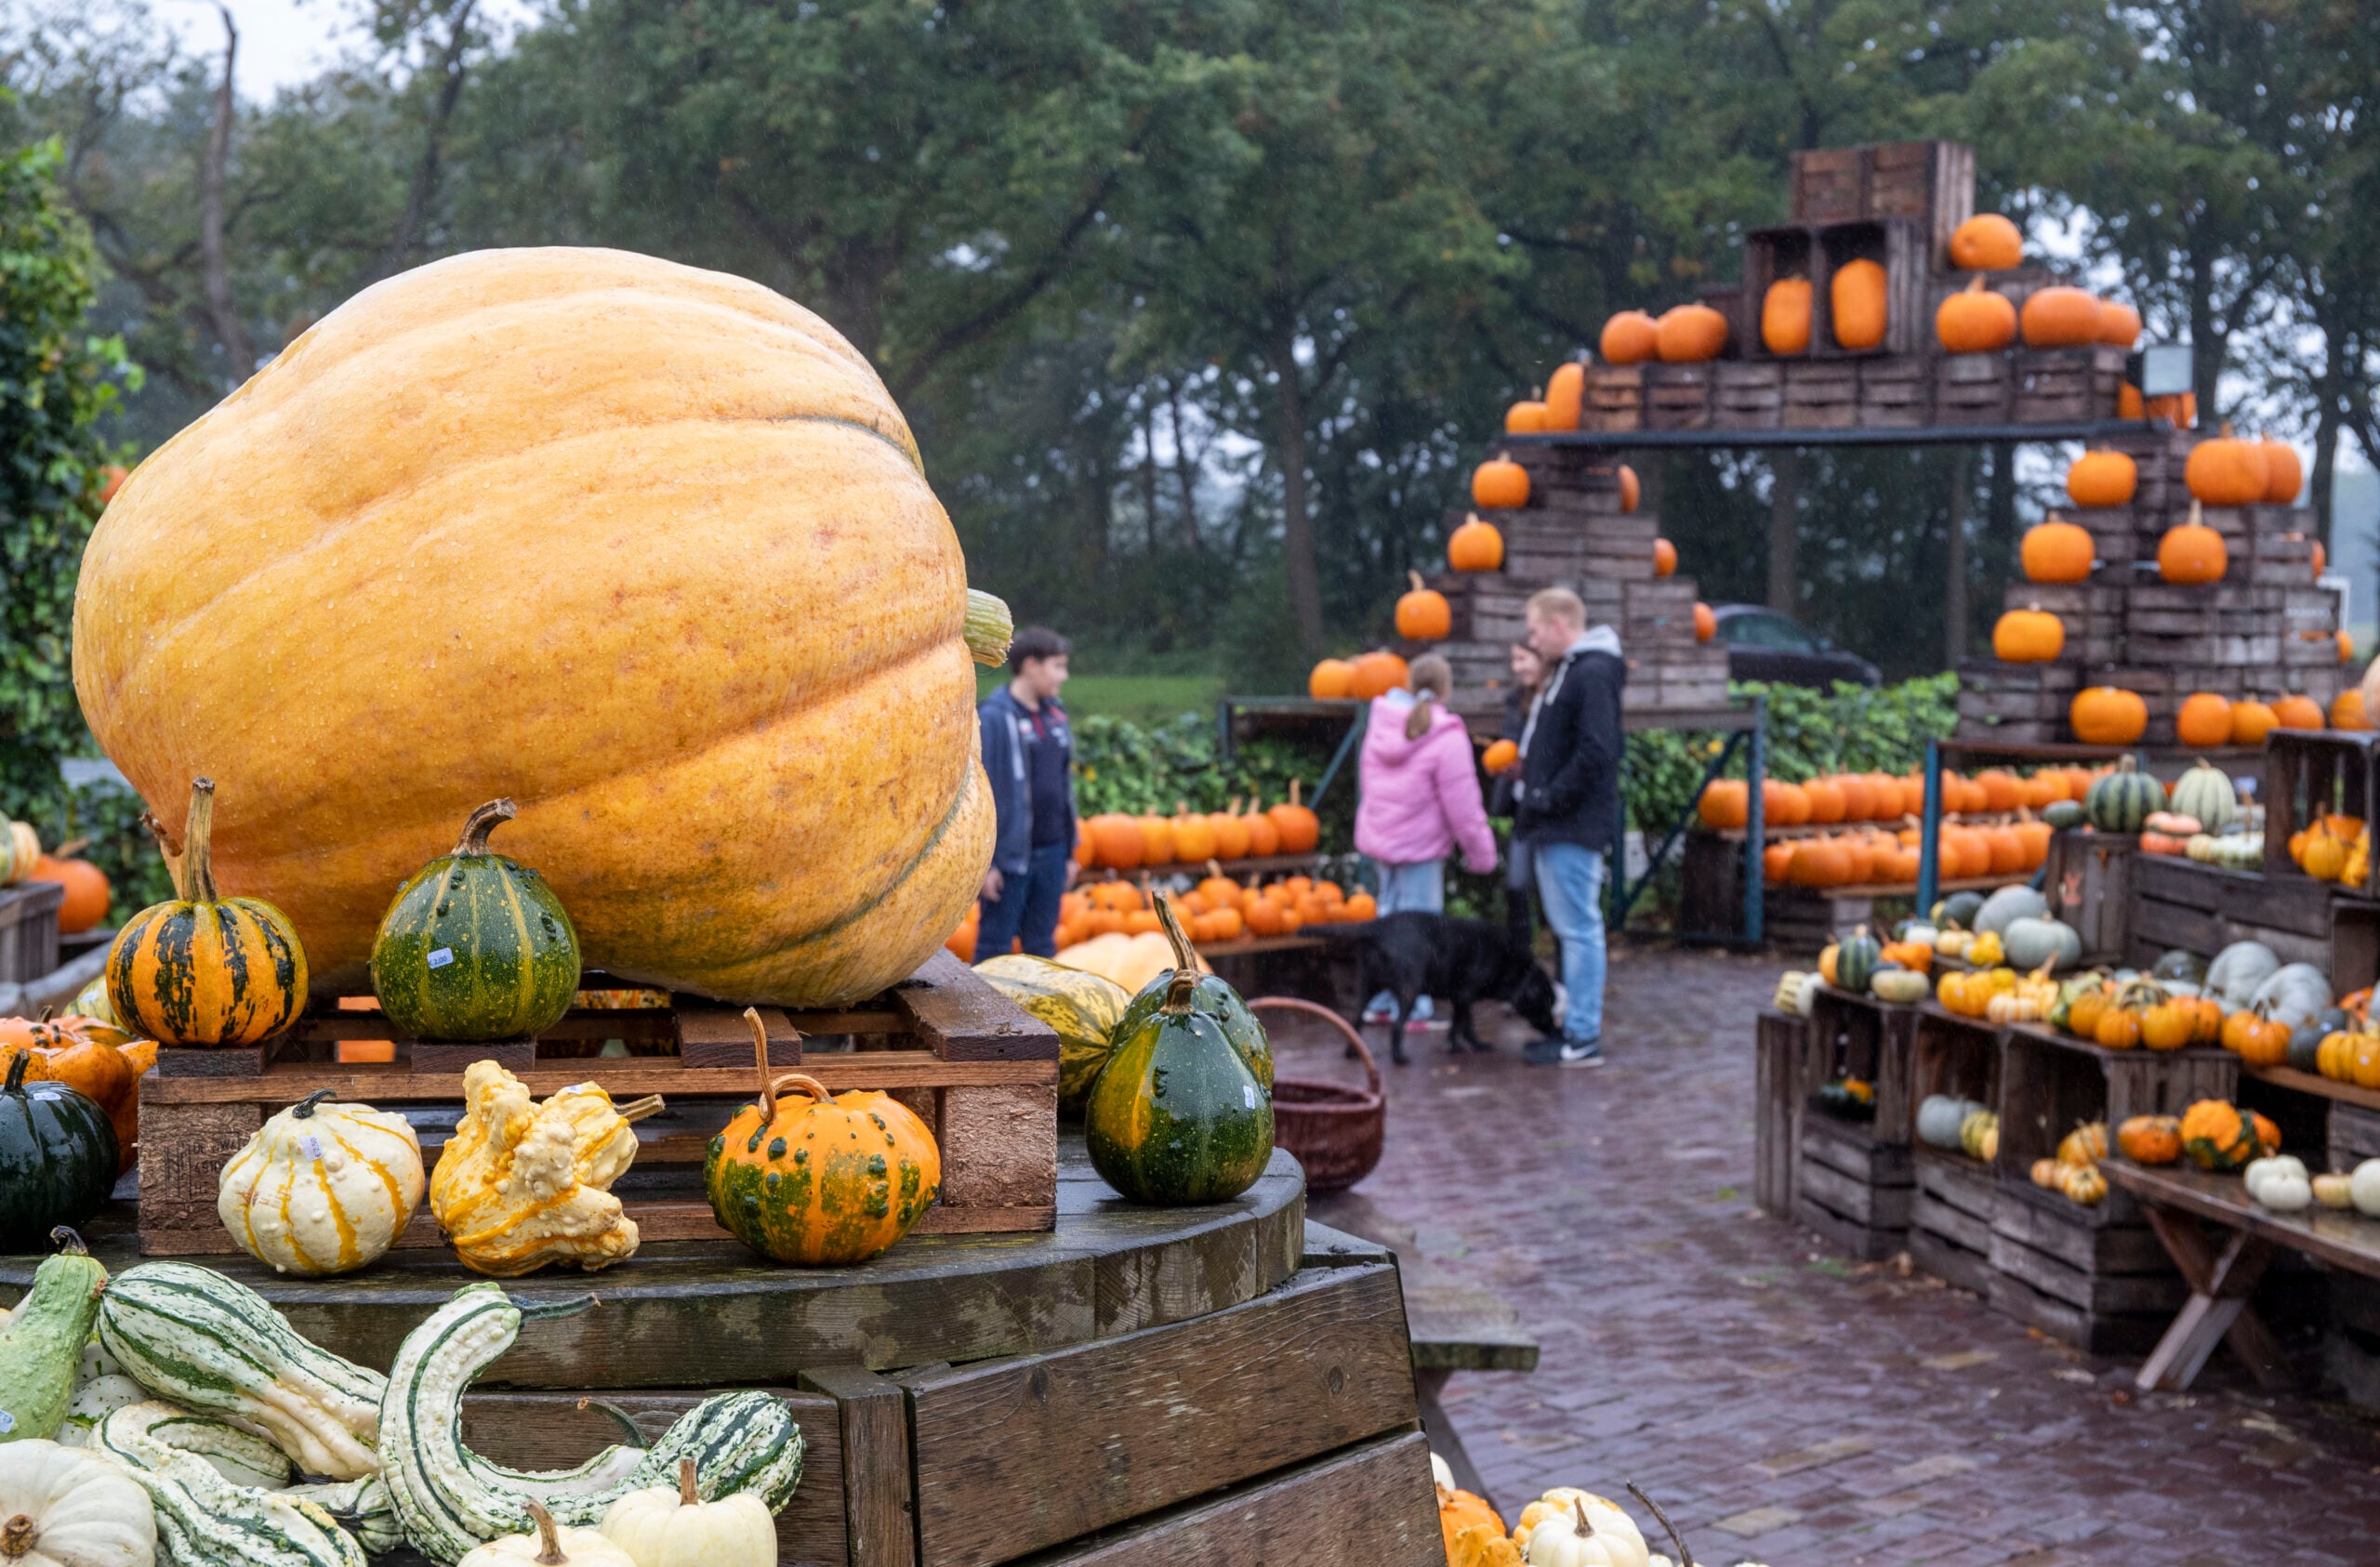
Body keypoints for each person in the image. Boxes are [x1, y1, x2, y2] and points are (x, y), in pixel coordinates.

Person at [1353, 652, 1498, 1026]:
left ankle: (1384, 1000)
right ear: (1446, 689)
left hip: (1382, 842)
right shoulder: (1446, 734)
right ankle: (1413, 1006)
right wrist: (1482, 855)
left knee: (1388, 922)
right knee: (1420, 931)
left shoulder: (1380, 721)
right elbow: (1463, 806)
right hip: (1420, 848)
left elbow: (1371, 784)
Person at [1514, 587, 1625, 1067]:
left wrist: (1547, 796)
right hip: (1556, 823)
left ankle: (1583, 1036)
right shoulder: (1572, 671)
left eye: (1536, 631)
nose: (1534, 642)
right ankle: (1575, 1032)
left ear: (1560, 625)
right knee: (1572, 927)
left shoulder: (1593, 673)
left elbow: (1598, 750)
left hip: (1571, 826)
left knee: (1580, 929)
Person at [976, 626, 1076, 958]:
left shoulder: (1056, 716)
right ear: (1031, 664)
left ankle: (1038, 1013)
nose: (1064, 675)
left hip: (1052, 853)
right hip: (1010, 859)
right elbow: (981, 794)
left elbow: (1064, 788)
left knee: (1042, 946)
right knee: (995, 946)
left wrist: (1070, 852)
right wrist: (985, 864)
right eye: (1057, 666)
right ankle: (986, 1012)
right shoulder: (994, 717)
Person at [1490, 640, 1547, 948]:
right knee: (1516, 886)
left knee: (1554, 895)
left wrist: (1530, 769)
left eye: (1523, 659)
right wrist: (1504, 766)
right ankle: (1521, 959)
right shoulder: (1517, 701)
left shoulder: (1557, 700)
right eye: (1514, 660)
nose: (1517, 667)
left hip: (1550, 804)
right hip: (1523, 804)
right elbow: (1512, 744)